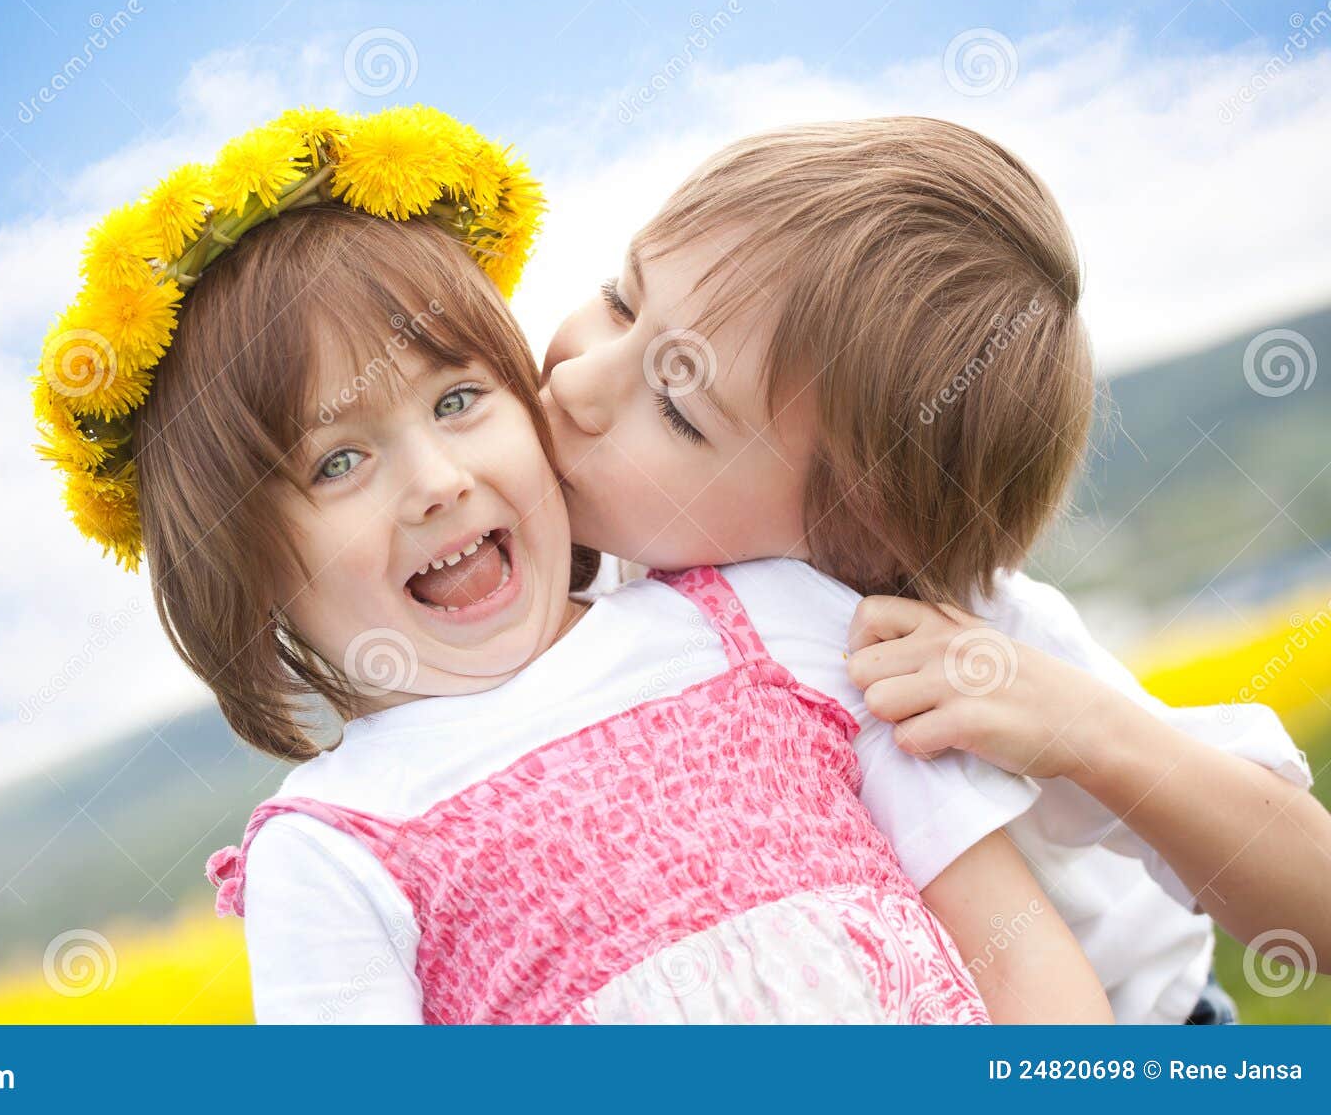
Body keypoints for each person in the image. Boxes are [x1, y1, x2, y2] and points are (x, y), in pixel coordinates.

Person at [35, 105, 1110, 1023]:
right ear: (246, 558)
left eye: (459, 400)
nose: (435, 481)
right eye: (338, 461)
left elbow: (1015, 952)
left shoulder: (767, 621)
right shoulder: (332, 848)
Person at [538, 116, 1329, 1023]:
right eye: (621, 300)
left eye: (679, 409)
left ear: (864, 537)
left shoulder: (949, 635)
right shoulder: (573, 577)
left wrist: (1083, 728)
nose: (579, 383)